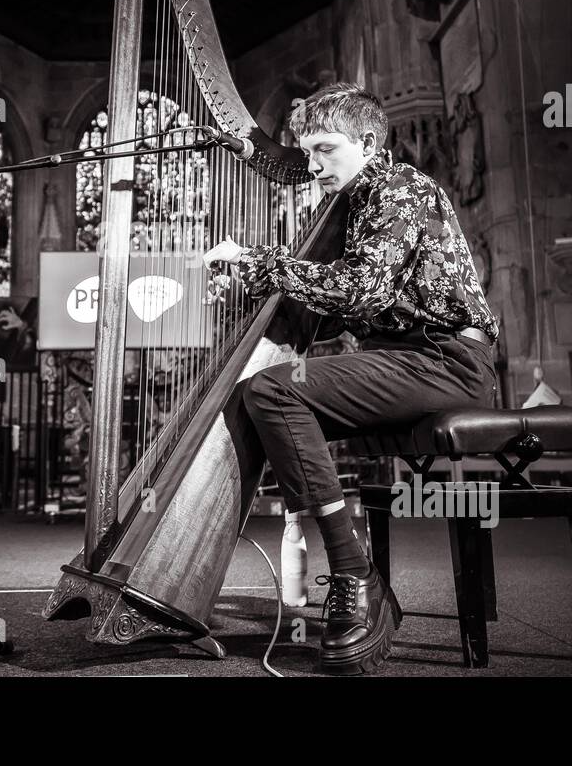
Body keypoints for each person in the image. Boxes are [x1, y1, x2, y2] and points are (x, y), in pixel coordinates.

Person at [203, 83, 500, 675]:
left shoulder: (398, 189)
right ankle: (342, 568)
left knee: (272, 389)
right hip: (405, 362)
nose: (311, 166)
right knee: (261, 397)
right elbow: (344, 303)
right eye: (305, 153)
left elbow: (363, 289)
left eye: (324, 150)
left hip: (446, 363)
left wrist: (258, 263)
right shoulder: (357, 203)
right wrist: (255, 282)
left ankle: (352, 570)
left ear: (367, 142)